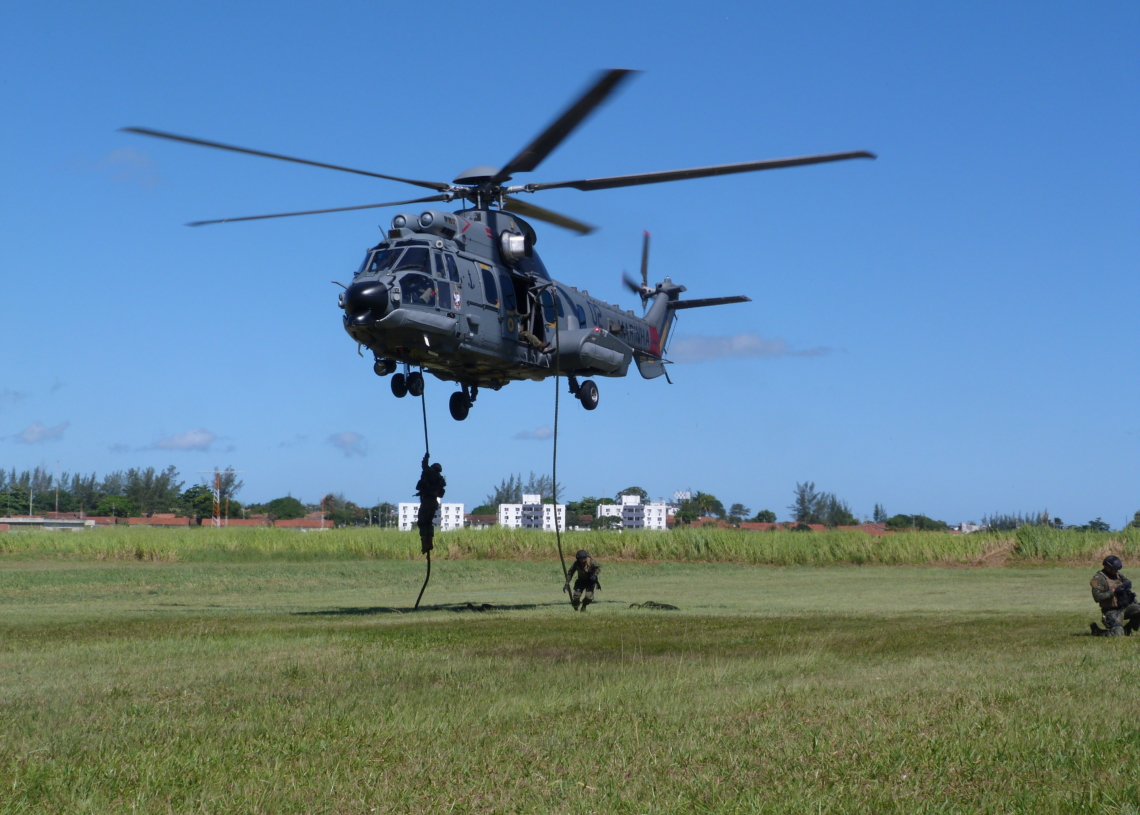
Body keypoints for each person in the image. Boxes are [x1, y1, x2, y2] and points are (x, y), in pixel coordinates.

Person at [1090, 555, 1140, 636]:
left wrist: (1127, 584)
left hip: (1124, 607)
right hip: (1111, 611)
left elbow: (1126, 581)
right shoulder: (1098, 579)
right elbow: (1097, 597)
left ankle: (1128, 628)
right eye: (1115, 569)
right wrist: (1114, 592)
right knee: (1118, 635)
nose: (1117, 571)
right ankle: (1097, 631)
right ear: (1108, 567)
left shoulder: (1118, 575)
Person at [414, 453, 446, 555]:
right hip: (433, 502)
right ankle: (429, 542)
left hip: (427, 501)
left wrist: (426, 458)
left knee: (422, 523)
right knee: (428, 523)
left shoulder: (431, 473)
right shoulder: (440, 479)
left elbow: (425, 467)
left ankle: (425, 545)